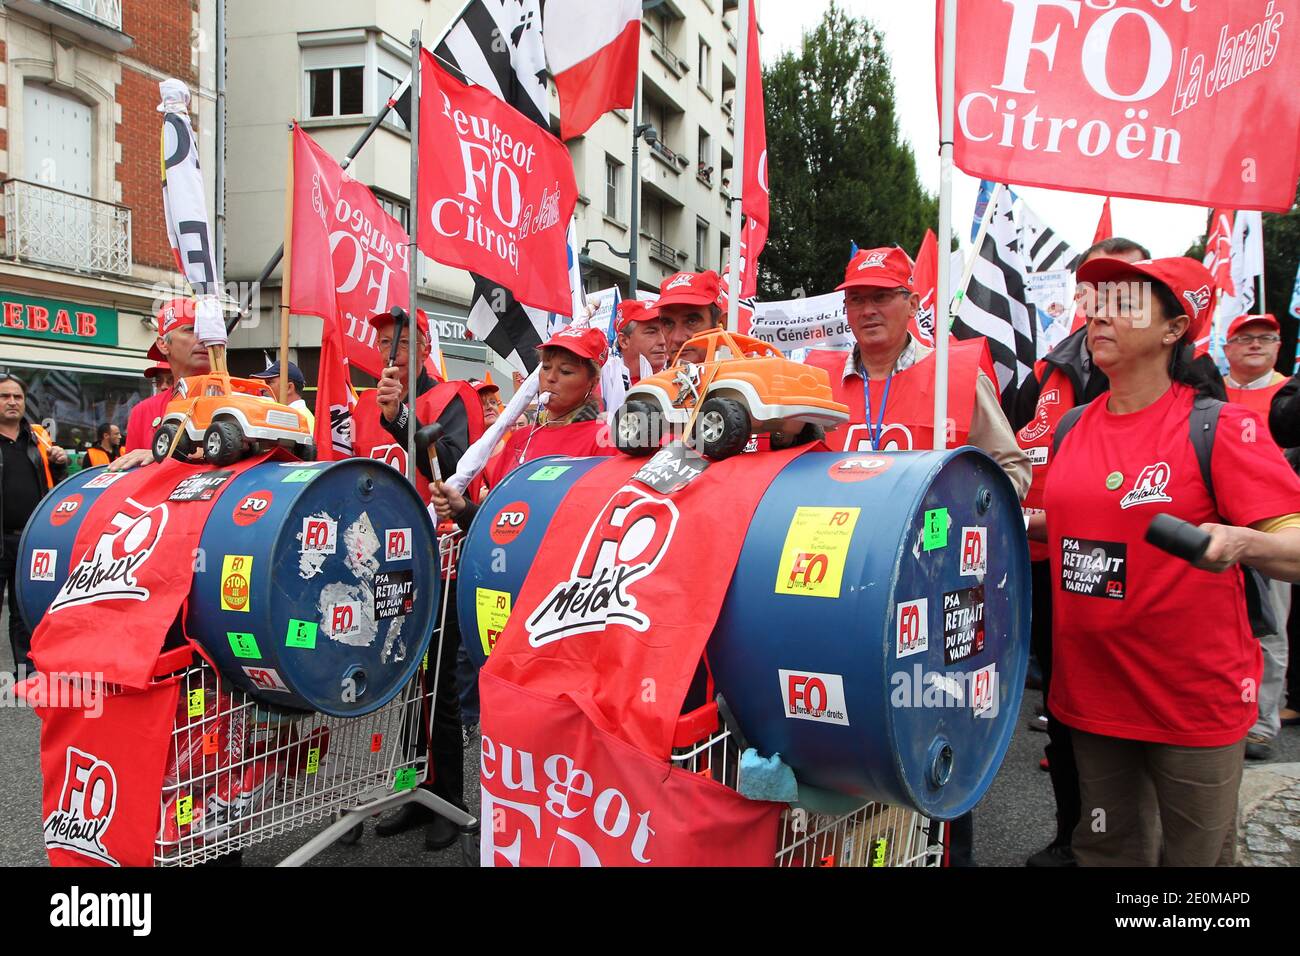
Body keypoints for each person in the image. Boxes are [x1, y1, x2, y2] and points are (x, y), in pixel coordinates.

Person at [1035, 256, 1300, 866]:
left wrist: (1243, 542)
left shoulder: (1219, 426)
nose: (1098, 313)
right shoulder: (1072, 426)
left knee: (1195, 867)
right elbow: (1069, 525)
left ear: (1174, 329)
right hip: (1092, 695)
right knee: (1104, 850)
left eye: (1124, 303)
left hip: (1191, 700)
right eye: (1096, 301)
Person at [1011, 236, 1151, 868]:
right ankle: (1074, 836)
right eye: (1090, 288)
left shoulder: (1180, 376)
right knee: (1068, 712)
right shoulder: (1051, 366)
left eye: (1118, 290)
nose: (1097, 305)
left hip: (1142, 582)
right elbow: (1020, 447)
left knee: (1134, 724)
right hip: (1052, 565)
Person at [357, 308, 484, 852]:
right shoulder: (370, 404)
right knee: (407, 687)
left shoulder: (452, 395)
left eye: (402, 340)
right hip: (388, 564)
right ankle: (414, 793)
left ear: (426, 343)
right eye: (384, 340)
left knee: (440, 691)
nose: (392, 350)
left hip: (442, 561)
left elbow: (455, 463)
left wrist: (401, 418)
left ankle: (450, 803)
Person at [804, 246, 1030, 496]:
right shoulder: (815, 381)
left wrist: (961, 504)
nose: (867, 310)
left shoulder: (958, 378)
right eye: (856, 299)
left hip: (930, 532)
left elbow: (1013, 470)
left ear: (912, 305)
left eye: (881, 297)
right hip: (834, 530)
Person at [431, 326, 617, 528]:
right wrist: (462, 508)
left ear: (593, 381)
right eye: (545, 367)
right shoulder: (520, 439)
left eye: (565, 371)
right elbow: (497, 520)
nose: (551, 378)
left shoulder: (605, 442)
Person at [1219, 313, 1292, 761]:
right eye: (1244, 338)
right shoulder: (1209, 392)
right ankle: (1226, 711)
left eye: (1266, 337)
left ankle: (1263, 721)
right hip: (1215, 518)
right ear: (1227, 348)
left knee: (1271, 622)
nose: (1255, 345)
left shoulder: (1291, 393)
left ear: (1279, 346)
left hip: (1271, 519)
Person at [0, 373, 68, 674]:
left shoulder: (37, 437)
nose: (12, 402)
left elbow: (54, 486)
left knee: (23, 609)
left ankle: (25, 671)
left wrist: (59, 462)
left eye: (17, 396)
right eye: (5, 396)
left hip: (30, 540)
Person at [113, 298, 208, 470]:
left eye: (209, 331)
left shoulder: (246, 399)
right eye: (191, 330)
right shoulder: (143, 412)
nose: (203, 338)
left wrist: (163, 455)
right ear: (163, 344)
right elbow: (132, 476)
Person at [650, 270, 724, 365]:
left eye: (691, 321)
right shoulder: (653, 380)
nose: (678, 338)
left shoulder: (744, 378)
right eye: (668, 324)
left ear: (719, 325)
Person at [249, 361, 315, 432]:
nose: (262, 388)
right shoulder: (287, 416)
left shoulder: (301, 419)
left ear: (289, 388)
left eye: (269, 382)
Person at [615, 300, 668, 385]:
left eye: (665, 331)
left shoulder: (684, 383)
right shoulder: (604, 387)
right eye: (651, 332)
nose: (663, 341)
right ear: (624, 341)